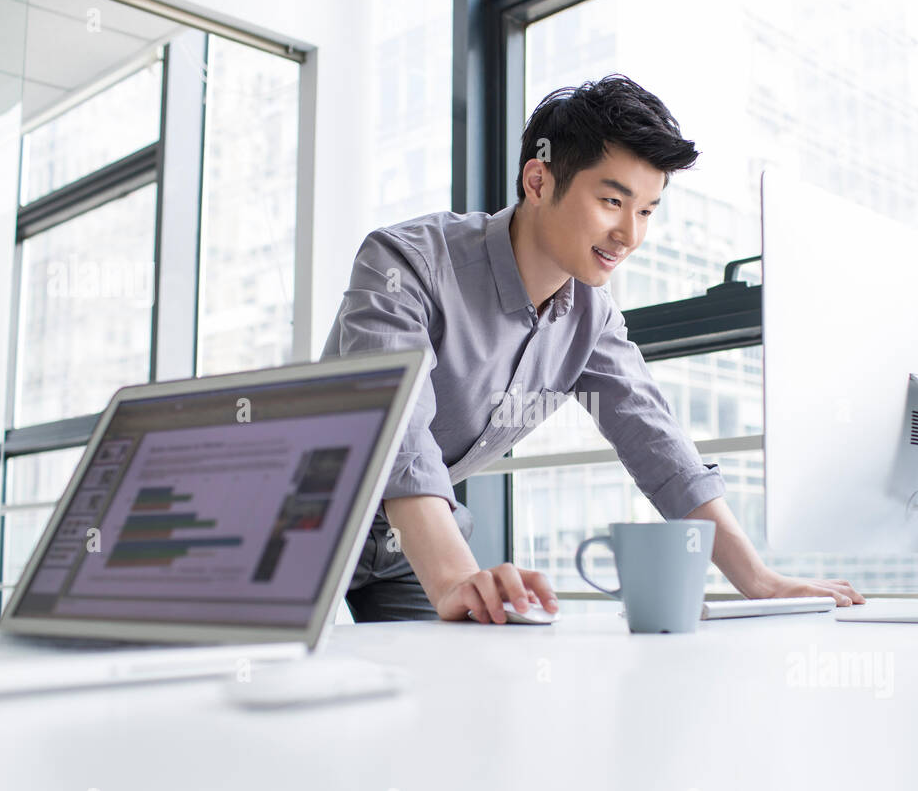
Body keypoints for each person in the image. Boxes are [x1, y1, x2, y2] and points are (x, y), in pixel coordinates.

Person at [323, 74, 865, 624]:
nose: (630, 234)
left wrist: (761, 581)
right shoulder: (406, 262)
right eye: (612, 200)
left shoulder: (591, 315)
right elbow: (399, 434)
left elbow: (660, 445)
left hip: (404, 550)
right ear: (538, 180)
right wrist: (457, 577)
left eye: (647, 211)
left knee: (439, 689)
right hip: (306, 523)